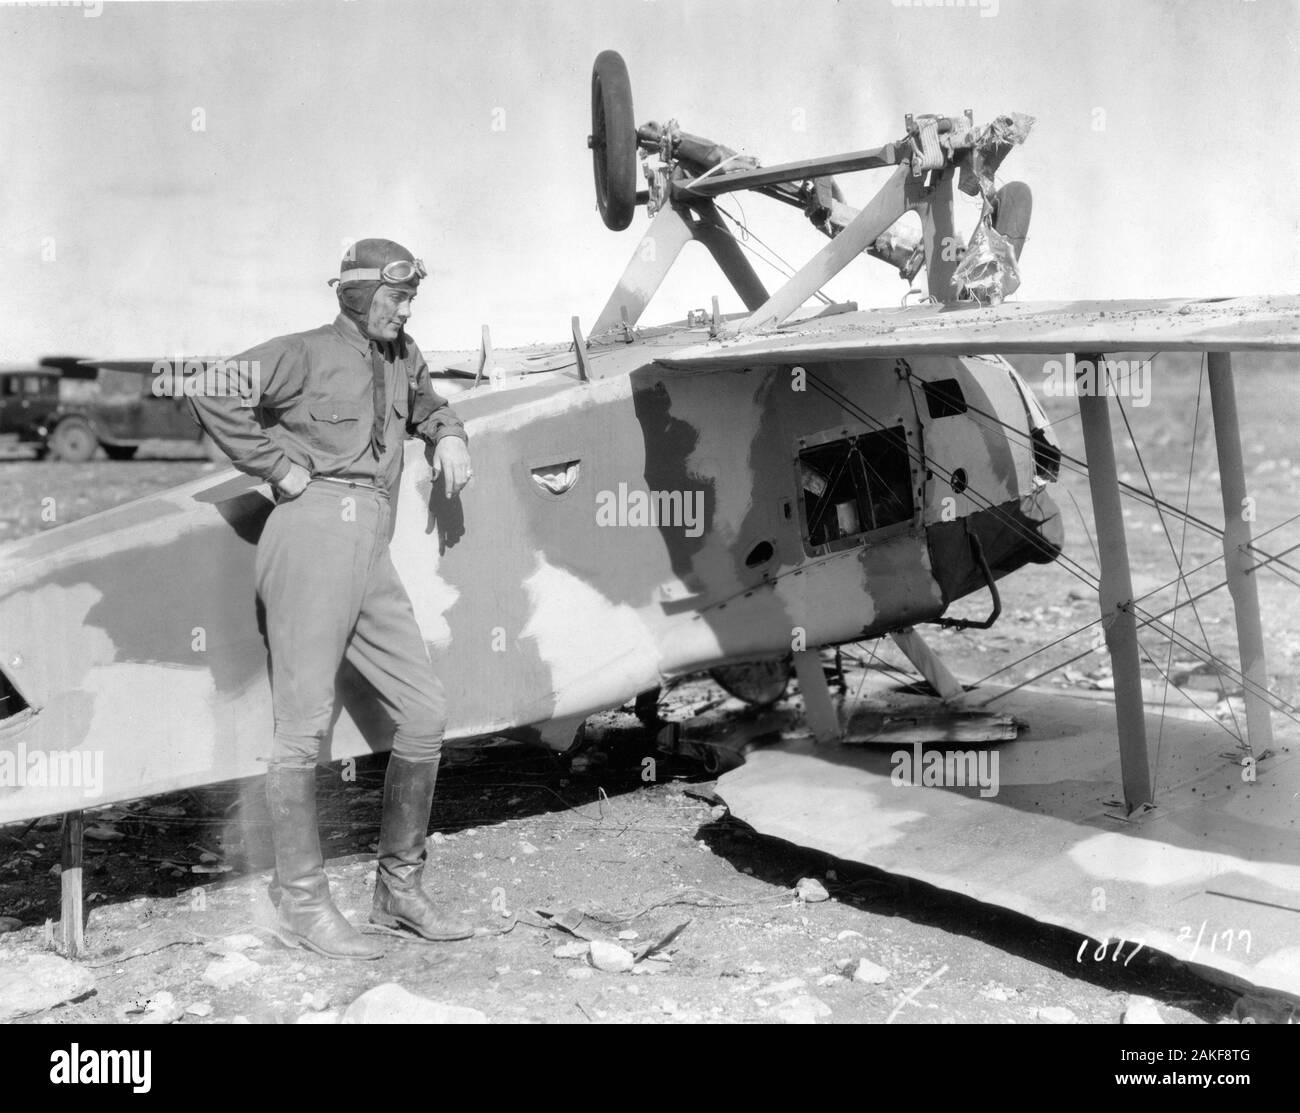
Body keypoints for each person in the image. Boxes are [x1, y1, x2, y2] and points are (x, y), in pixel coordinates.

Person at [190, 238, 473, 959]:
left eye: (411, 299)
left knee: (425, 711)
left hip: (369, 544)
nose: (405, 309)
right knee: (302, 726)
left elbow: (428, 403)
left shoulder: (403, 355)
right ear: (356, 292)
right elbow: (211, 386)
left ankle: (398, 892)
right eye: (396, 295)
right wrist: (277, 466)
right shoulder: (306, 351)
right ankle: (303, 903)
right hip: (314, 533)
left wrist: (447, 434)